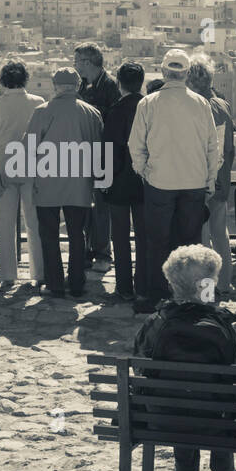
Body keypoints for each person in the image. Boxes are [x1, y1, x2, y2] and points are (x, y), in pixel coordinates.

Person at [133, 244, 236, 471]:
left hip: (165, 419)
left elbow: (139, 366)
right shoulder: (221, 326)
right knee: (221, 406)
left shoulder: (155, 322)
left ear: (171, 284)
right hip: (215, 422)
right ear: (208, 286)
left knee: (180, 401)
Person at [128, 48, 220, 313]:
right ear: (187, 73)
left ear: (164, 72)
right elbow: (211, 147)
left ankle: (157, 298)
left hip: (159, 182)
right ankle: (200, 299)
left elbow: (136, 145)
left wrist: (145, 171)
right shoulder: (201, 104)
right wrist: (210, 181)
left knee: (157, 242)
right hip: (194, 182)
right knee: (193, 246)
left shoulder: (148, 103)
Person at [24, 67, 104, 298]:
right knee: (77, 234)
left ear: (54, 85)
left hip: (47, 182)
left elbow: (29, 148)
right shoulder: (91, 113)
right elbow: (99, 150)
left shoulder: (42, 112)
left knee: (49, 234)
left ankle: (55, 283)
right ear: (78, 85)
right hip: (80, 184)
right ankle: (77, 283)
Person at [0, 59, 46, 288]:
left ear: (3, 81)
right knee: (33, 223)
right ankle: (38, 273)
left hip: (3, 166)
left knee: (5, 223)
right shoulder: (38, 102)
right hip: (31, 167)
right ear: (25, 79)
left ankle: (8, 274)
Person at [187, 54, 236, 296]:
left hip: (202, 179)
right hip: (222, 178)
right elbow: (229, 147)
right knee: (221, 233)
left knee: (203, 238)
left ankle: (205, 291)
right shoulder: (222, 105)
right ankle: (225, 283)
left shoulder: (195, 107)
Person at [103, 61, 147, 302]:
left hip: (119, 181)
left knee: (119, 237)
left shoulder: (115, 110)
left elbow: (109, 149)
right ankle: (142, 284)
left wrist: (105, 179)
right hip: (145, 181)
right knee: (143, 237)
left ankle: (123, 286)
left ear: (119, 83)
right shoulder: (149, 108)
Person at [75, 43, 119, 273]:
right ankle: (85, 251)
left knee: (101, 206)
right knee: (83, 203)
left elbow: (113, 121)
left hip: (104, 154)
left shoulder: (110, 86)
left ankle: (102, 253)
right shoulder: (83, 85)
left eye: (77, 61)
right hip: (84, 153)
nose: (74, 65)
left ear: (87, 62)